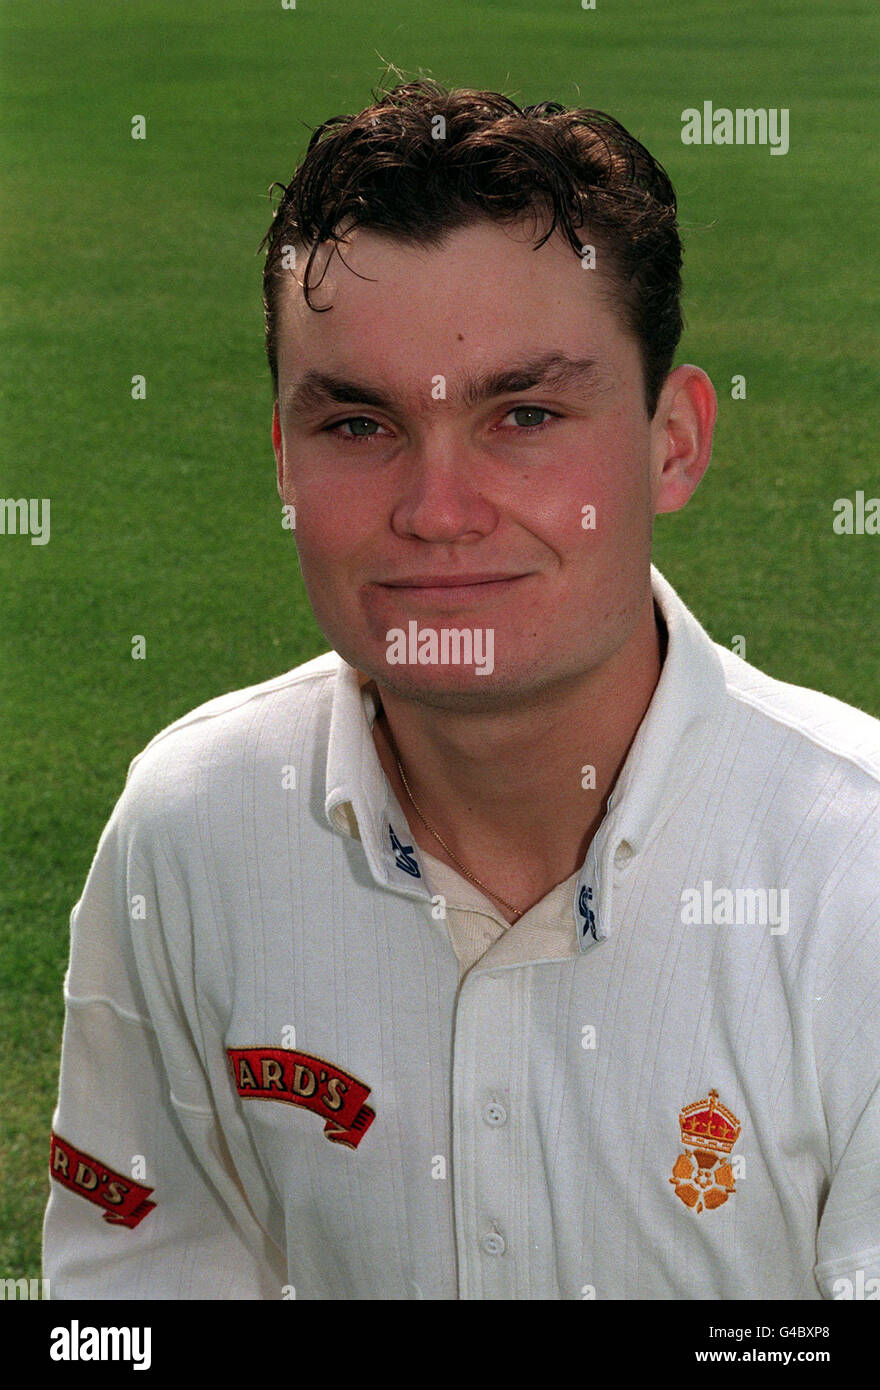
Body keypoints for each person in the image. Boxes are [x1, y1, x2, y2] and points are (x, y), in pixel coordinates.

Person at [43, 80, 879, 1300]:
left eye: (524, 412)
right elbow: (121, 1309)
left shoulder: (857, 880)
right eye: (358, 424)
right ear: (282, 455)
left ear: (673, 441)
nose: (436, 512)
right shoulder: (188, 827)